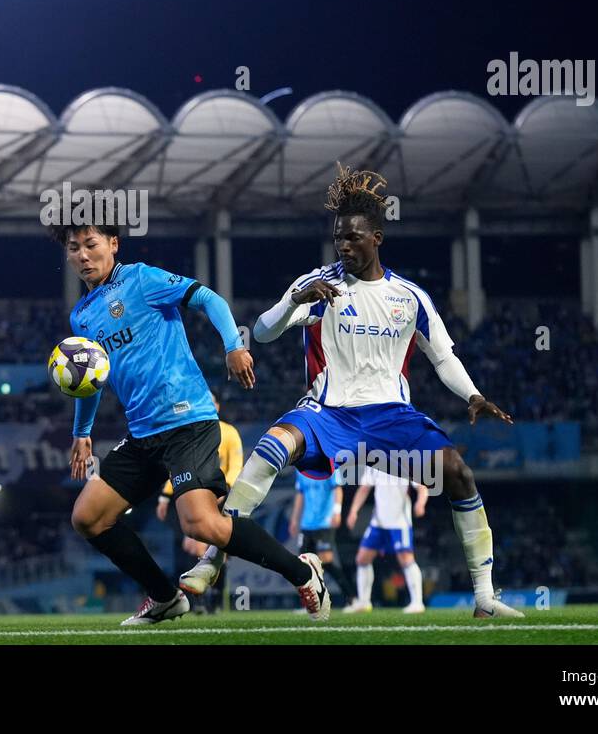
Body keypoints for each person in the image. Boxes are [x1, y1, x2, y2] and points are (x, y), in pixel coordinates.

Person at [179, 163, 524, 618]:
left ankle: (485, 597)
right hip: (327, 412)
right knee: (269, 449)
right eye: (338, 236)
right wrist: (295, 301)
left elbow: (442, 357)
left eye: (353, 237)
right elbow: (261, 333)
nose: (344, 245)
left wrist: (473, 395)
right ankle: (212, 558)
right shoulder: (319, 285)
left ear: (376, 237)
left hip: (391, 416)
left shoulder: (411, 297)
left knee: (457, 472)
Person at [54, 223, 329, 625]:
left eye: (90, 244)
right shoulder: (82, 317)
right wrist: (82, 433)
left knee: (199, 523)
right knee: (88, 517)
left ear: (113, 244)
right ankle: (164, 597)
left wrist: (234, 345)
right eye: (74, 248)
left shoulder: (142, 278)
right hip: (143, 435)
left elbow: (207, 297)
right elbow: (91, 380)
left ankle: (304, 572)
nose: (82, 255)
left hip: (188, 421)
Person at [156, 389, 243, 613]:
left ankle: (212, 602)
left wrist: (224, 492)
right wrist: (165, 497)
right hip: (194, 496)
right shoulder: (191, 434)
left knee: (216, 549)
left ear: (217, 407)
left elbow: (236, 466)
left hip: (221, 498)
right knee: (192, 547)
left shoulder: (229, 433)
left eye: (212, 401)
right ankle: (198, 602)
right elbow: (179, 468)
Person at [342, 463, 428, 613]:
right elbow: (364, 488)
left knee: (406, 560)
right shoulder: (375, 463)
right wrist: (354, 511)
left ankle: (417, 602)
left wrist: (420, 503)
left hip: (399, 522)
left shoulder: (405, 461)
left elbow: (422, 487)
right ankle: (364, 602)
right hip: (379, 522)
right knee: (362, 558)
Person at [289, 467, 347, 607]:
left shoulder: (329, 465)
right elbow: (300, 494)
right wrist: (295, 519)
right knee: (304, 564)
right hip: (306, 524)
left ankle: (351, 597)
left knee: (326, 561)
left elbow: (337, 489)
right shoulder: (300, 468)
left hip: (324, 522)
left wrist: (337, 511)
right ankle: (311, 604)